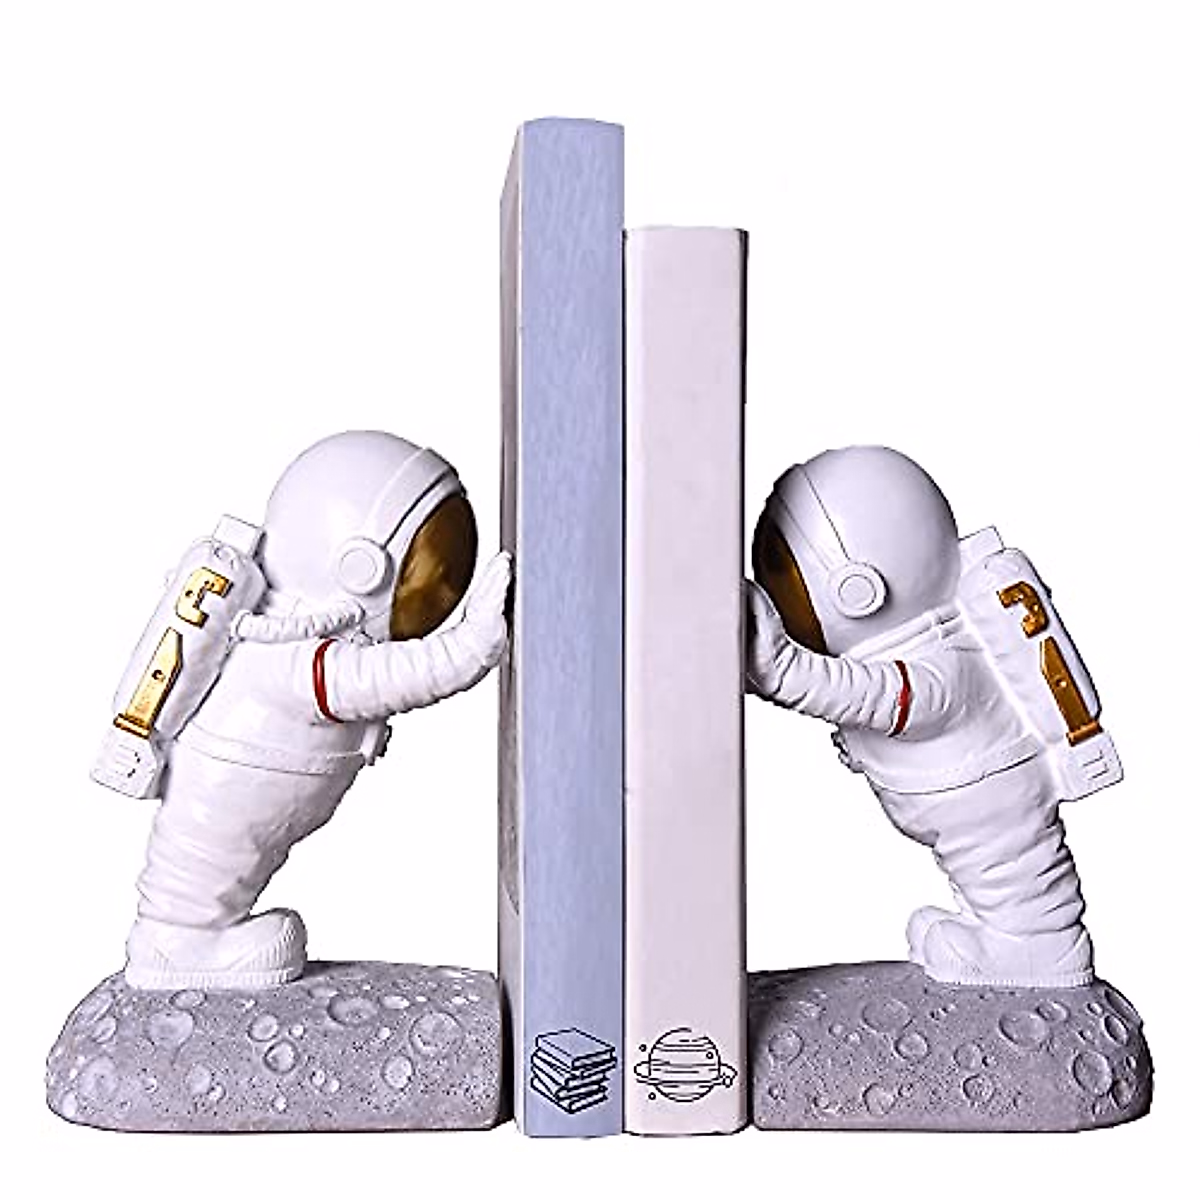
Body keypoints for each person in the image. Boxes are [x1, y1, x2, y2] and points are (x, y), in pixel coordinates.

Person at [115, 430, 510, 989]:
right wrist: (472, 643)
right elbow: (398, 677)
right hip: (208, 843)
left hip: (229, 823)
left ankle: (181, 938)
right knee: (205, 889)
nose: (439, 583)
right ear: (360, 569)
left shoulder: (279, 637)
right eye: (424, 566)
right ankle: (179, 944)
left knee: (219, 888)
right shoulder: (287, 655)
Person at [746, 445, 1106, 988]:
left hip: (989, 807)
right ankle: (1009, 939)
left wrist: (780, 668)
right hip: (974, 807)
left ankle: (1045, 949)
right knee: (994, 886)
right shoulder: (933, 647)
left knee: (1017, 882)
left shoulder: (942, 662)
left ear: (858, 591)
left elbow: (869, 695)